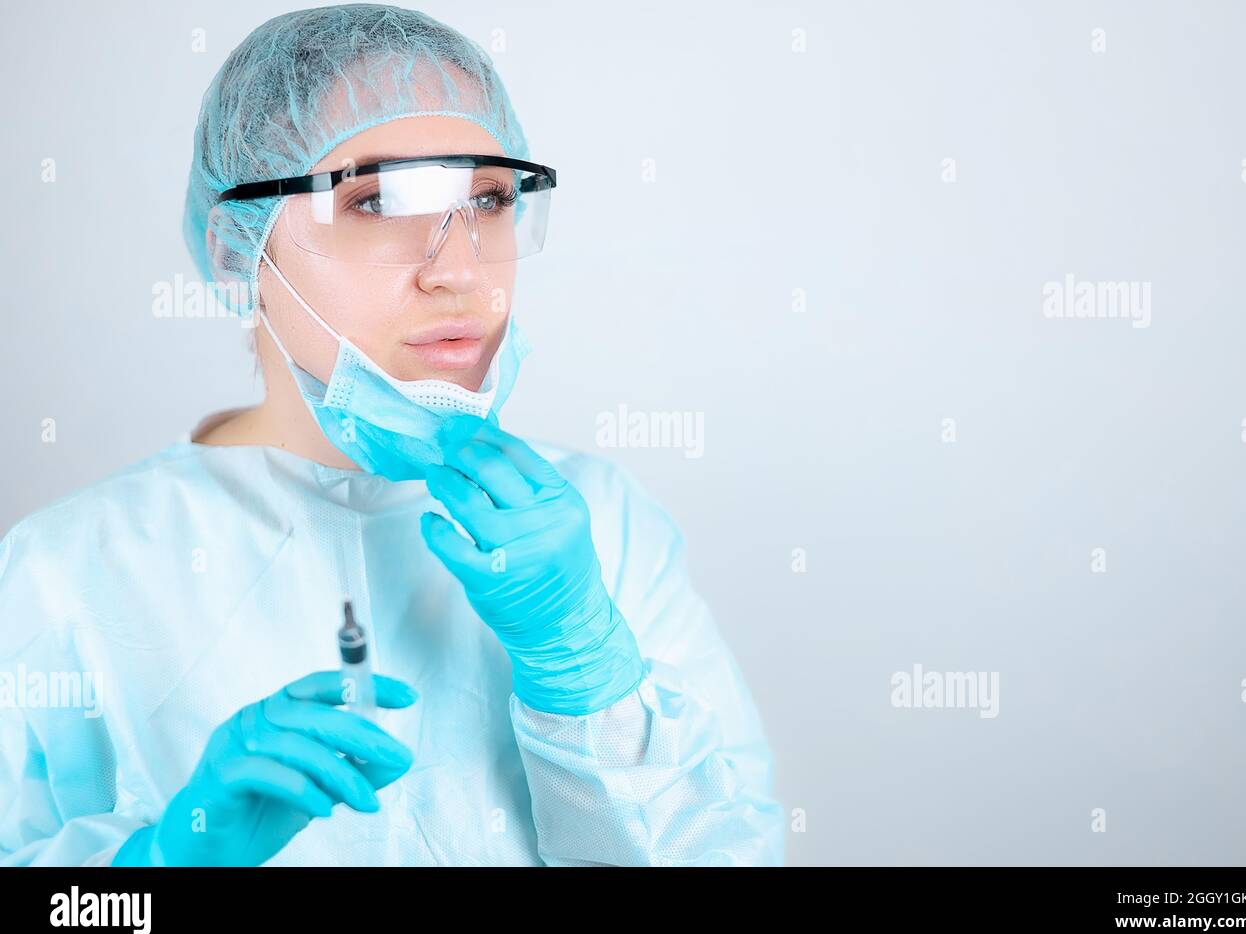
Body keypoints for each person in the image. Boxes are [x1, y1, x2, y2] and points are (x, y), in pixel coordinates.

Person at [0, 4, 783, 866]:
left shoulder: (599, 525)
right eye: (376, 202)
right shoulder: (70, 572)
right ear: (235, 251)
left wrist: (585, 672)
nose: (456, 268)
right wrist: (162, 864)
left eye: (486, 198)